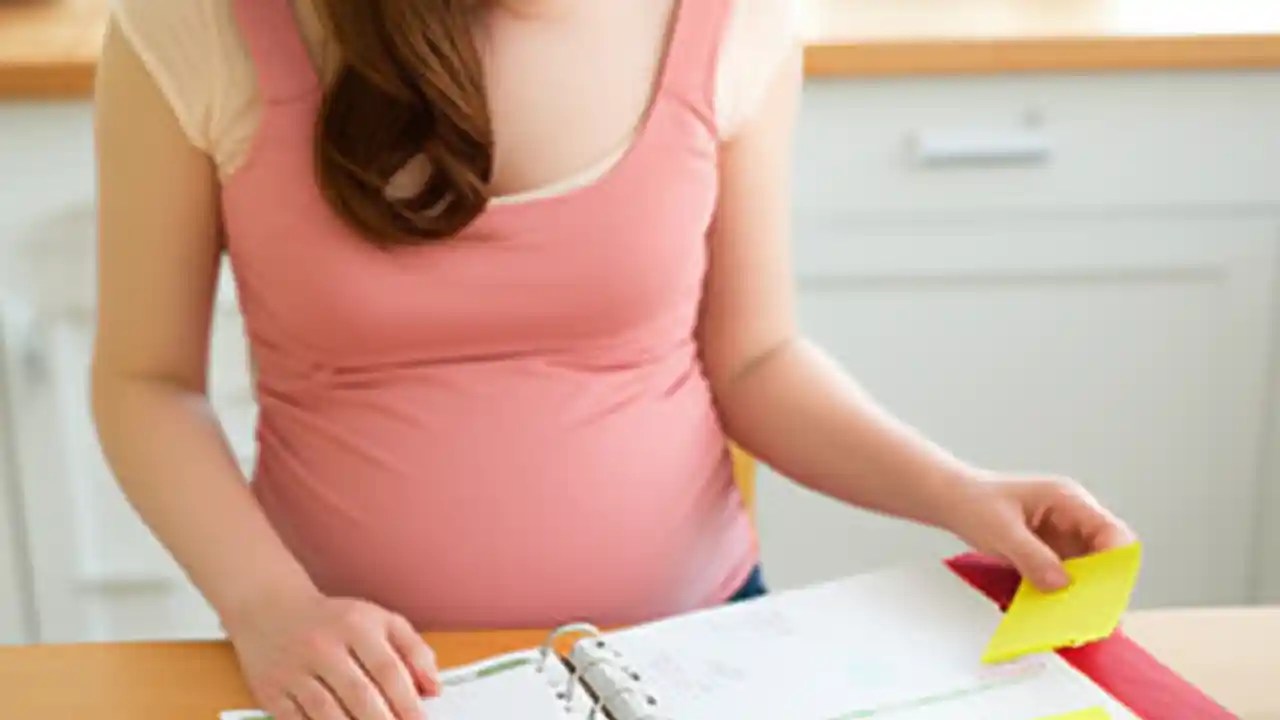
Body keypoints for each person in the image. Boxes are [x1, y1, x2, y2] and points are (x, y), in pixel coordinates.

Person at [91, 1, 1136, 718]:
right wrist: (270, 610)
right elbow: (147, 384)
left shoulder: (730, 20)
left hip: (697, 653)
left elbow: (756, 359)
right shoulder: (198, 26)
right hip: (361, 685)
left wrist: (957, 492)